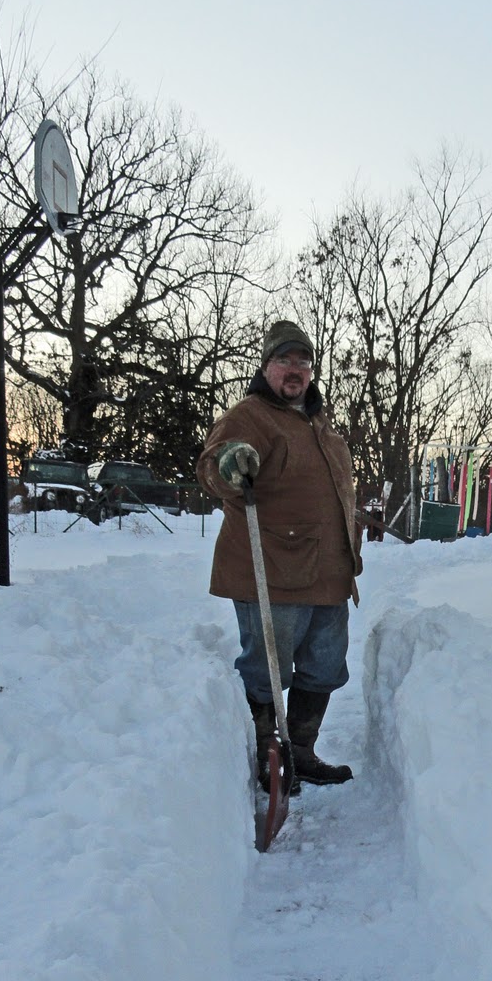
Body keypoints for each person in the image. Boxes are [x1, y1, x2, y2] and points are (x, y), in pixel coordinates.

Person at [196, 320, 361, 788]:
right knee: (267, 670)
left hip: (330, 574)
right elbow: (214, 464)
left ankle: (301, 752)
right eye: (285, 360)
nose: (295, 370)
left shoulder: (321, 426)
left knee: (324, 667)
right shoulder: (250, 416)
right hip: (272, 569)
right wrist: (230, 464)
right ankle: (270, 758)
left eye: (303, 362)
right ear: (267, 366)